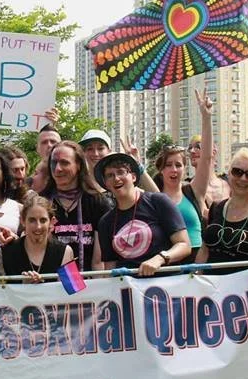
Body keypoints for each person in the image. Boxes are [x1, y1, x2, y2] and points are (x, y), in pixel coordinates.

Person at [95, 152, 191, 274]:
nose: (116, 178)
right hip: (129, 284)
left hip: (166, 282)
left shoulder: (157, 201)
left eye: (121, 172)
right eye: (110, 175)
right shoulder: (105, 222)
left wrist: (160, 259)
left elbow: (184, 245)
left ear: (133, 177)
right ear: (106, 183)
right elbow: (110, 268)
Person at [152, 88, 214, 259]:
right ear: (161, 170)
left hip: (197, 260)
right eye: (168, 165)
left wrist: (207, 117)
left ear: (185, 168)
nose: (174, 169)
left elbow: (206, 158)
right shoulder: (155, 197)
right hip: (166, 260)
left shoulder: (194, 192)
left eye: (178, 165)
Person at [40, 141, 112, 271]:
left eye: (64, 163)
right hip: (49, 280)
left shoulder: (98, 202)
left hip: (87, 279)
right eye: (54, 163)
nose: (57, 169)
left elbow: (99, 261)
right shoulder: (41, 202)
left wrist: (99, 281)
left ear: (79, 165)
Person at [0, 196, 73, 280]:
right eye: (32, 220)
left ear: (51, 222)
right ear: (22, 221)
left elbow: (74, 287)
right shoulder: (6, 252)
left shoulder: (65, 251)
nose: (38, 226)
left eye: (43, 220)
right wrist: (25, 286)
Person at [188, 133, 230, 208]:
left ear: (213, 151)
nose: (192, 151)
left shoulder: (230, 183)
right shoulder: (187, 188)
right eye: (190, 148)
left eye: (198, 146)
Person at [30, 122, 62, 193]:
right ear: (37, 148)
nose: (49, 145)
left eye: (53, 141)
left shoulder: (75, 179)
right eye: (44, 142)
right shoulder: (28, 186)